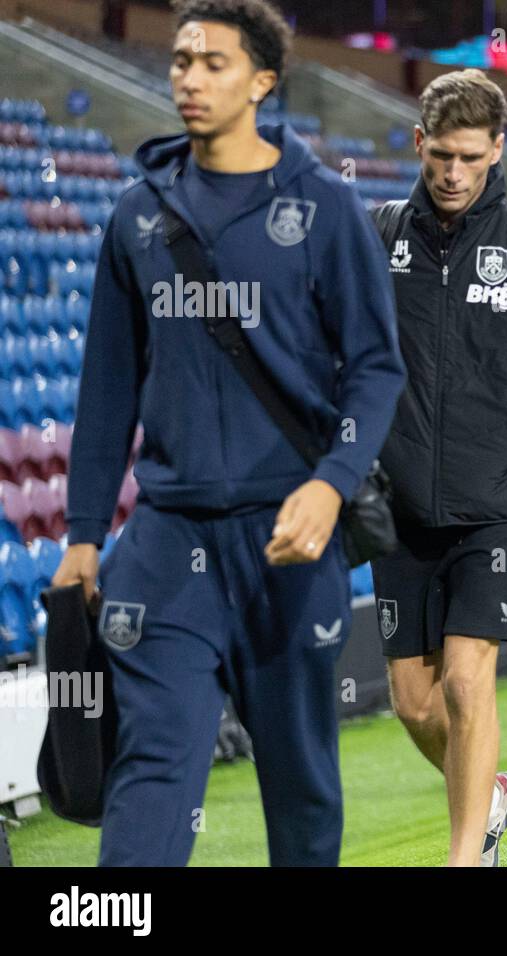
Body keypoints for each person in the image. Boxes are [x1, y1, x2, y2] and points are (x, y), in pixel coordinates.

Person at [52, 0, 407, 866]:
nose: (190, 77)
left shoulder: (324, 208)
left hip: (287, 536)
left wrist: (331, 481)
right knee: (154, 765)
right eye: (180, 61)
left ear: (263, 81)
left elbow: (375, 368)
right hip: (167, 541)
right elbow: (105, 389)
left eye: (213, 63)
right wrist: (85, 535)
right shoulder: (136, 216)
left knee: (300, 785)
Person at [368, 69, 507, 866]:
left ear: (497, 150)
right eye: (441, 157)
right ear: (419, 144)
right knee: (413, 701)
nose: (453, 174)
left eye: (470, 157)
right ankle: (491, 795)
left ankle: (467, 860)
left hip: (494, 501)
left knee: (466, 681)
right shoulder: (380, 233)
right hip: (397, 507)